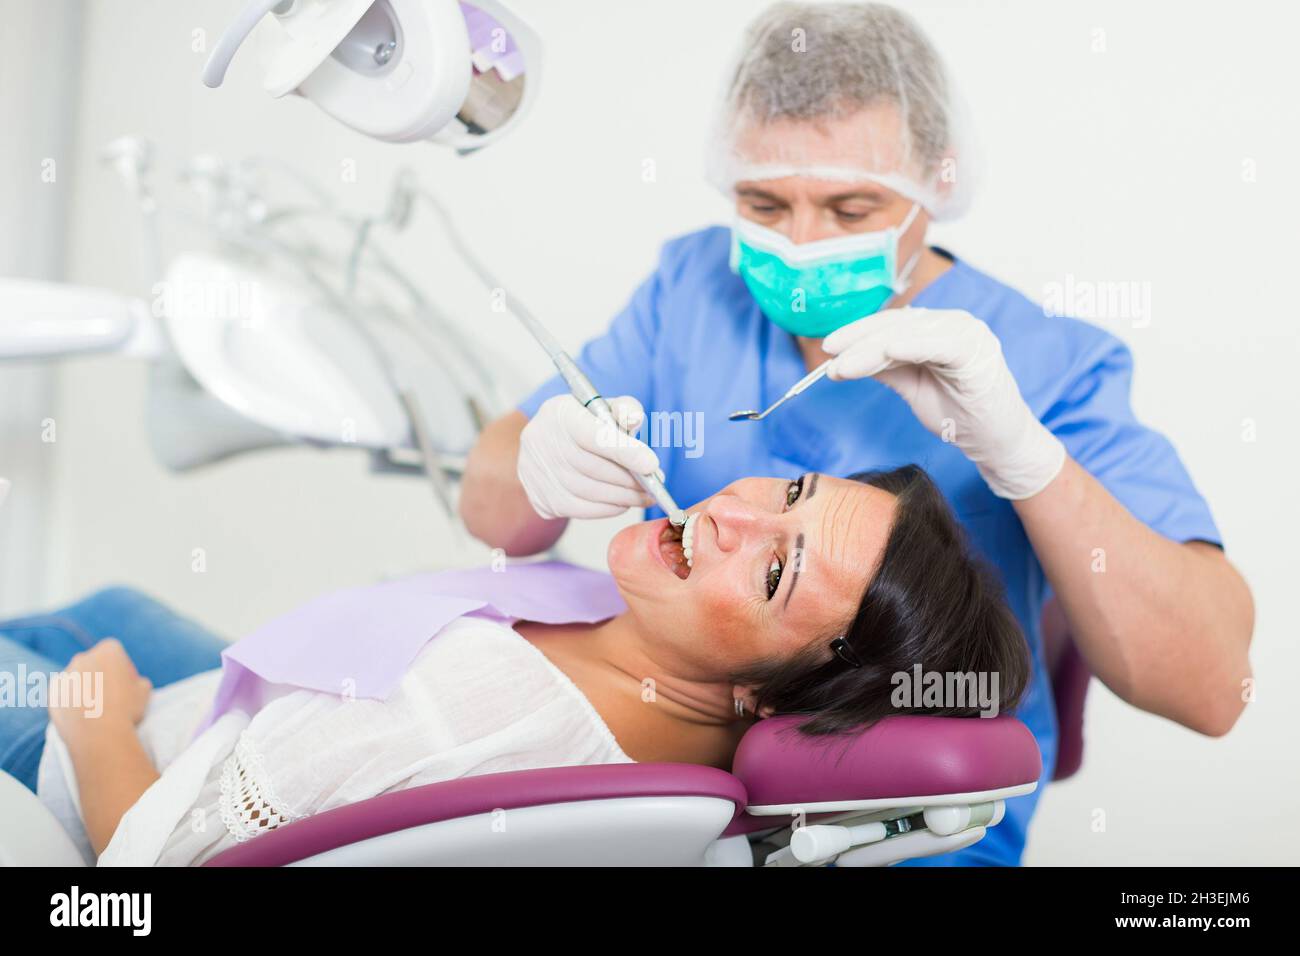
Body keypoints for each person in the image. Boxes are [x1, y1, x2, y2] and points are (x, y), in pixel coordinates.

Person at [458, 2, 1255, 865]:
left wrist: (1025, 458)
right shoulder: (692, 289)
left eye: (848, 209)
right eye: (764, 203)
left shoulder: (1051, 364)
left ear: (934, 191)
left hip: (920, 842)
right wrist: (541, 463)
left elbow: (1210, 689)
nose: (799, 246)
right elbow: (493, 512)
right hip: (667, 805)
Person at [0, 466, 1025, 865]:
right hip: (235, 706)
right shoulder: (667, 676)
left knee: (73, 646)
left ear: (768, 690)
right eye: (791, 487)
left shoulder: (464, 709)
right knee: (117, 608)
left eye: (774, 566)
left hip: (110, 766)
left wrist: (93, 718)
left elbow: (149, 868)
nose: (731, 511)